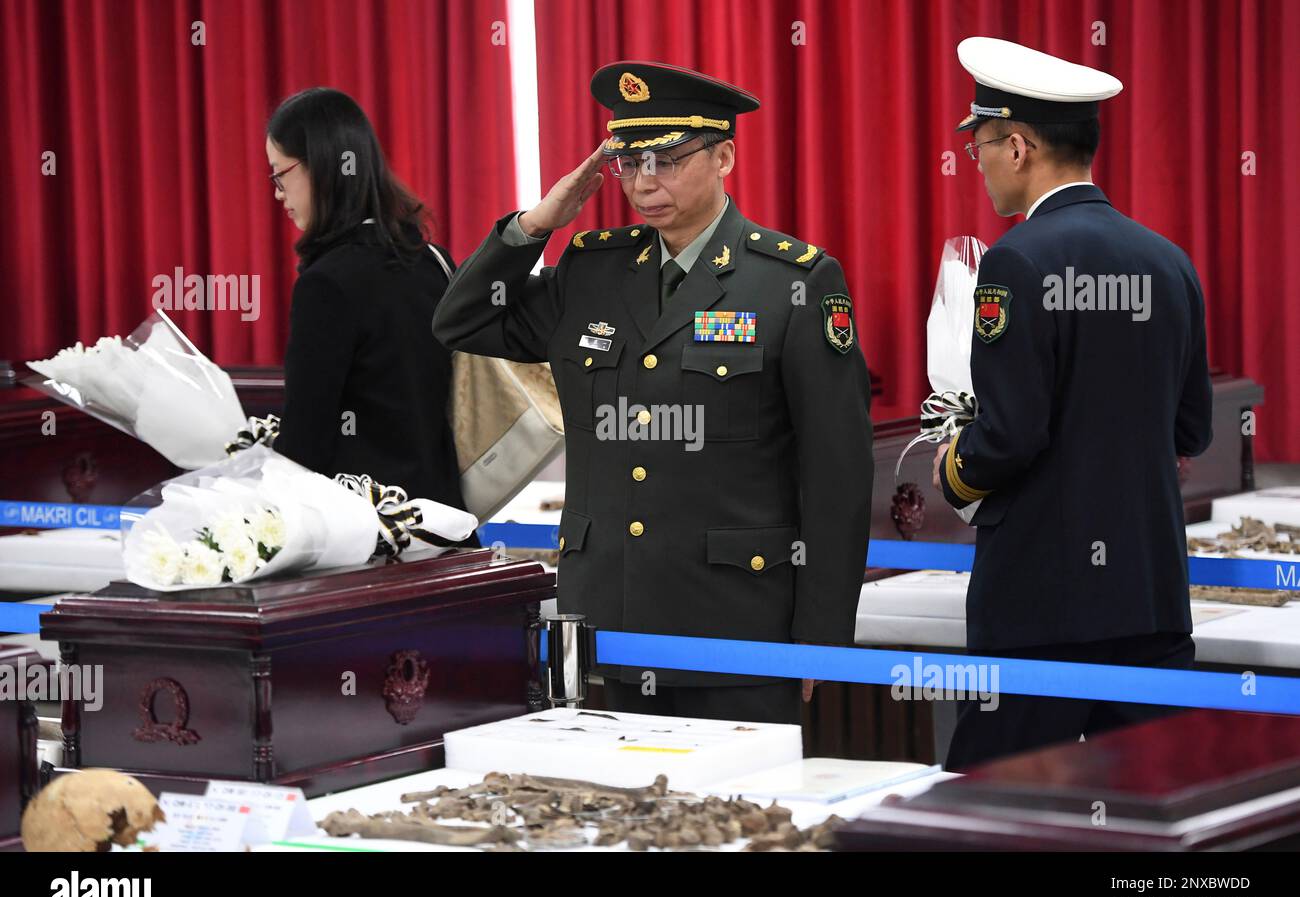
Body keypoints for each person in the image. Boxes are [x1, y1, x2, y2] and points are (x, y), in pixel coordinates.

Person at [434, 62, 873, 724]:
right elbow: (460, 320)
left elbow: (836, 474)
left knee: (736, 821)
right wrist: (535, 223)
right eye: (630, 161)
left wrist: (820, 638)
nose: (644, 181)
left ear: (723, 155)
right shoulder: (593, 270)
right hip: (612, 621)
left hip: (738, 628)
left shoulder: (792, 280)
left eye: (667, 159)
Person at [933, 38, 1213, 770]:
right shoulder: (1168, 260)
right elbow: (1194, 427)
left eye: (982, 145)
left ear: (1019, 146)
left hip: (1040, 606)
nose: (979, 162)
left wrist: (951, 467)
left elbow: (1010, 436)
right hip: (1150, 596)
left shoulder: (1016, 261)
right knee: (1159, 812)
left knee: (1000, 811)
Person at [264, 87, 475, 540]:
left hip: (371, 539)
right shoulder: (431, 259)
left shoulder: (326, 284)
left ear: (319, 166)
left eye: (280, 176)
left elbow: (306, 443)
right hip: (445, 529)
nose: (279, 194)